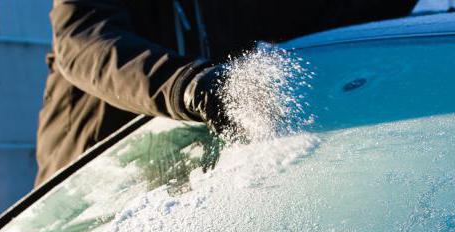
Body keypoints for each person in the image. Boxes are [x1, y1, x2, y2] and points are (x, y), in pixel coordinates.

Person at [35, 0, 417, 186]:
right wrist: (192, 85)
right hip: (88, 183)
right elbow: (84, 42)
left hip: (186, 188)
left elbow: (324, 14)